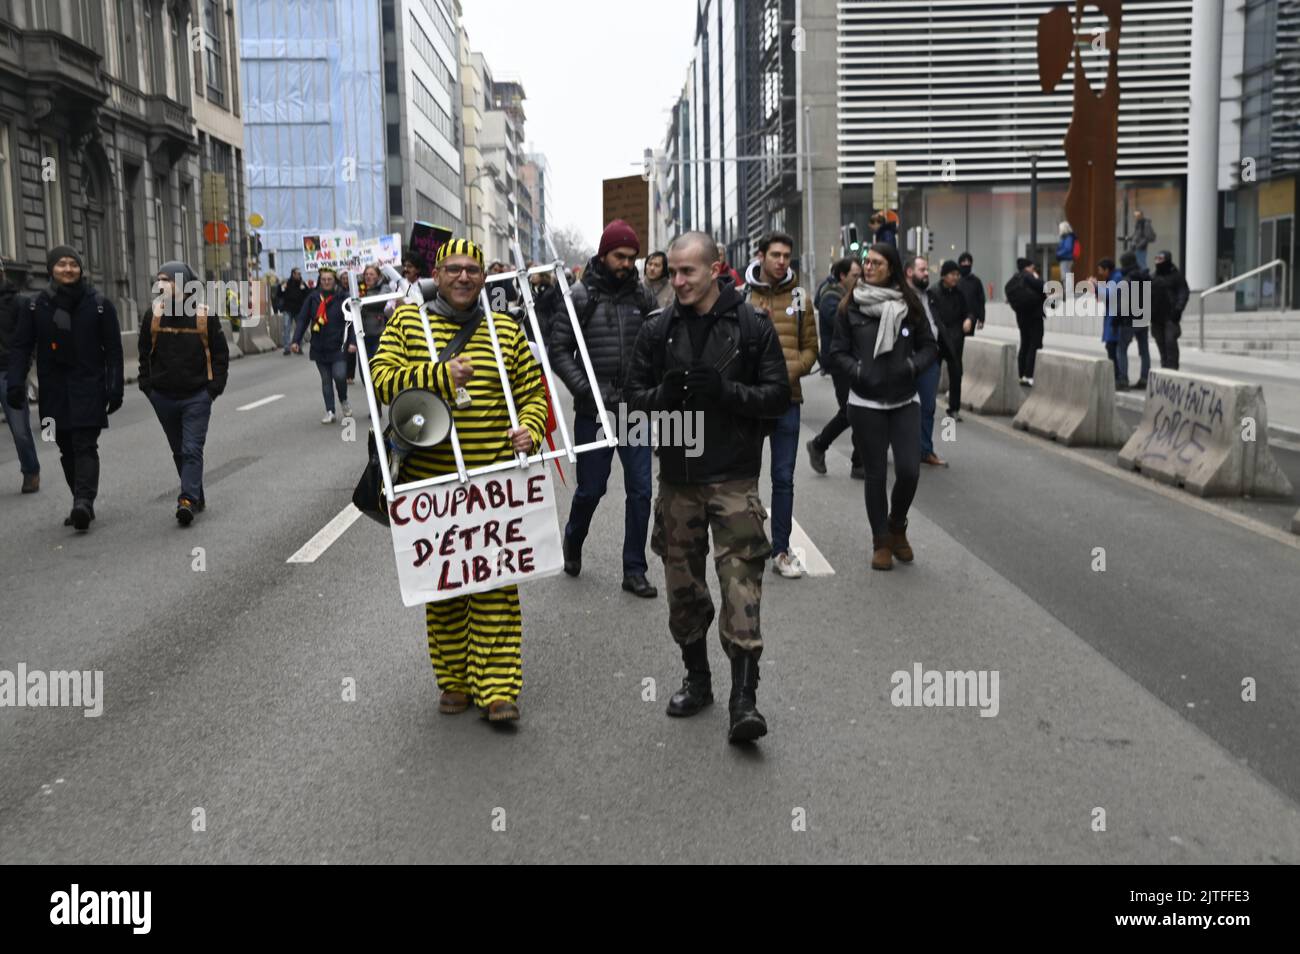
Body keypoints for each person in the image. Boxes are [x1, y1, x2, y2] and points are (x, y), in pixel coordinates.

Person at [370, 237, 548, 723]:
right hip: (432, 482)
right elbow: (380, 380)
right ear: (437, 273)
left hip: (492, 481)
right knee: (444, 587)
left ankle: (497, 690)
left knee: (495, 588)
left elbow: (534, 392)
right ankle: (453, 682)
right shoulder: (407, 321)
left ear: (484, 277)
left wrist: (530, 429)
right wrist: (439, 375)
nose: (464, 277)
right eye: (454, 269)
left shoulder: (505, 328)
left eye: (473, 269)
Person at [624, 231, 789, 743]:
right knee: (683, 590)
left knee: (741, 584)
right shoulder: (658, 330)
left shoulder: (751, 325)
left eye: (686, 272)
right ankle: (698, 680)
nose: (676, 281)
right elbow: (628, 404)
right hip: (678, 481)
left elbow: (778, 398)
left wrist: (727, 392)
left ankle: (745, 699)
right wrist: (661, 397)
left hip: (733, 477)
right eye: (671, 272)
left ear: (715, 268)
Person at [549, 219, 658, 598]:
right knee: (591, 489)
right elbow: (559, 350)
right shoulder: (580, 296)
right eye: (619, 256)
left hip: (635, 410)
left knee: (641, 490)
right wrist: (584, 389)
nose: (626, 264)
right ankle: (573, 538)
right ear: (603, 254)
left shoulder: (643, 297)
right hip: (594, 412)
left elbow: (660, 342)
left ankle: (634, 568)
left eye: (632, 257)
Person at [827, 243, 937, 571]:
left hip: (904, 399)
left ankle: (897, 526)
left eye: (876, 262)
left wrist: (912, 366)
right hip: (865, 401)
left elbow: (929, 346)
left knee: (908, 470)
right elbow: (837, 351)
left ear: (891, 267)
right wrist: (859, 371)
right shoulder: (850, 305)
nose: (868, 267)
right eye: (866, 262)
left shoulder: (910, 304)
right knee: (875, 473)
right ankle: (881, 541)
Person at [5, 245, 123, 531]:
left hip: (88, 386)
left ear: (80, 269)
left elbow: (114, 351)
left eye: (73, 264)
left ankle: (83, 501)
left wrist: (114, 386)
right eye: (61, 264)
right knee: (65, 447)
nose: (68, 269)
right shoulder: (35, 306)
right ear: (51, 269)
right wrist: (15, 383)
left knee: (85, 444)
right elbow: (21, 347)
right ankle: (80, 499)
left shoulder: (99, 304)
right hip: (53, 390)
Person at [744, 231, 818, 579]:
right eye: (775, 255)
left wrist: (786, 373)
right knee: (745, 475)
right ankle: (747, 542)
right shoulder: (742, 295)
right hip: (752, 402)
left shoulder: (800, 297)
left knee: (783, 477)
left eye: (787, 256)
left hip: (788, 399)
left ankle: (781, 550)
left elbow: (810, 347)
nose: (781, 261)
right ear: (761, 256)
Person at [138, 261, 230, 524]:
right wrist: (148, 387)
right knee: (179, 450)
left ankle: (186, 499)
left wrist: (213, 389)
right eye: (160, 280)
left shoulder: (203, 316)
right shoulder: (152, 315)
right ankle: (196, 494)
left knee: (191, 449)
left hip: (196, 396)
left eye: (168, 280)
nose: (162, 285)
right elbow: (144, 354)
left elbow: (220, 355)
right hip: (163, 397)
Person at [807, 257, 864, 478]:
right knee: (851, 410)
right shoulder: (833, 297)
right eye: (854, 275)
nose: (859, 279)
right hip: (841, 363)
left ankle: (859, 460)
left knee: (857, 410)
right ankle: (821, 445)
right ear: (842, 276)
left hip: (855, 360)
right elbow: (843, 322)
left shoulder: (850, 295)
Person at [290, 266, 355, 423]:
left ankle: (343, 400)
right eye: (324, 280)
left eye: (329, 280)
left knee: (339, 376)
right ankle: (330, 411)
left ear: (335, 281)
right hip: (319, 346)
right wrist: (296, 340)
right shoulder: (313, 298)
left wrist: (352, 341)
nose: (326, 282)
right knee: (326, 380)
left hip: (339, 345)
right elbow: (303, 319)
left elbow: (352, 321)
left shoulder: (343, 298)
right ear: (320, 281)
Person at [0, 260, 39, 493]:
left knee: (19, 428)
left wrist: (23, 368)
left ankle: (31, 470)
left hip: (9, 372)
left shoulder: (18, 302)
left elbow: (28, 340)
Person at [905, 255, 947, 467]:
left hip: (930, 360)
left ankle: (925, 450)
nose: (926, 273)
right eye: (922, 269)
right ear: (910, 272)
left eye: (926, 270)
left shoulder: (929, 296)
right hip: (909, 359)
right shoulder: (900, 297)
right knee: (901, 407)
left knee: (928, 407)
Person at [930, 259, 971, 421]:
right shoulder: (933, 292)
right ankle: (928, 404)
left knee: (956, 374)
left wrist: (969, 319)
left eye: (957, 275)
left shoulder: (960, 292)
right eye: (952, 274)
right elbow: (934, 317)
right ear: (944, 276)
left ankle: (954, 408)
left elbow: (968, 311)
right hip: (939, 340)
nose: (955, 278)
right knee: (933, 374)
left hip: (955, 340)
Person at [1005, 257, 1046, 385]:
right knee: (1034, 345)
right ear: (1027, 267)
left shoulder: (1014, 279)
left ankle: (1021, 374)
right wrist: (1036, 277)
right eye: (1032, 267)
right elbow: (1044, 286)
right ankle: (1029, 375)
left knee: (1024, 344)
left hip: (1021, 317)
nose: (1033, 269)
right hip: (1034, 317)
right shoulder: (1029, 277)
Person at [1117, 250, 1152, 387]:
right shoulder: (1145, 276)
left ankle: (1123, 379)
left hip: (1128, 319)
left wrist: (1116, 320)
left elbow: (1122, 303)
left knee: (1122, 349)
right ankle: (1144, 378)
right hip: (1143, 317)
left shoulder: (1126, 280)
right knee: (1144, 350)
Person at [1151, 250, 1188, 370]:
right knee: (1161, 344)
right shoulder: (1153, 277)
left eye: (1160, 259)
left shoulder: (1176, 276)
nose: (1158, 262)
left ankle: (1172, 368)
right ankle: (1164, 367)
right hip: (1156, 317)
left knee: (1170, 342)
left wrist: (1178, 310)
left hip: (1170, 316)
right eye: (1156, 259)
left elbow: (1183, 293)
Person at [1096, 258, 1126, 388]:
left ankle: (1119, 377)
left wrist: (1096, 286)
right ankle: (1116, 376)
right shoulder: (1113, 278)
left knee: (1113, 348)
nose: (1100, 273)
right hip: (1112, 316)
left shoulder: (1117, 278)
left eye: (1101, 270)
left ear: (1107, 269)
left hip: (1115, 317)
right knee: (1111, 347)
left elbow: (1109, 295)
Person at [357, 264, 390, 366]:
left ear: (378, 276)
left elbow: (379, 301)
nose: (368, 276)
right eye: (366, 274)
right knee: (365, 368)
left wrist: (361, 302)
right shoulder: (359, 288)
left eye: (371, 274)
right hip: (361, 335)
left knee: (378, 365)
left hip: (378, 334)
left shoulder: (384, 287)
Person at [278, 268, 308, 356]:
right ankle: (287, 348)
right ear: (293, 274)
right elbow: (279, 294)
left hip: (299, 309)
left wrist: (304, 289)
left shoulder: (302, 284)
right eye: (297, 274)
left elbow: (307, 295)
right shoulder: (286, 283)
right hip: (288, 309)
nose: (299, 275)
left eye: (300, 274)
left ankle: (298, 347)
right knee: (286, 327)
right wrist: (282, 288)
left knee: (299, 328)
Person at [956, 252, 985, 333]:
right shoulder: (955, 280)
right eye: (964, 261)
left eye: (968, 262)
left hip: (971, 317)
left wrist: (981, 318)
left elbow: (981, 300)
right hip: (956, 318)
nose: (966, 263)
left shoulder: (976, 281)